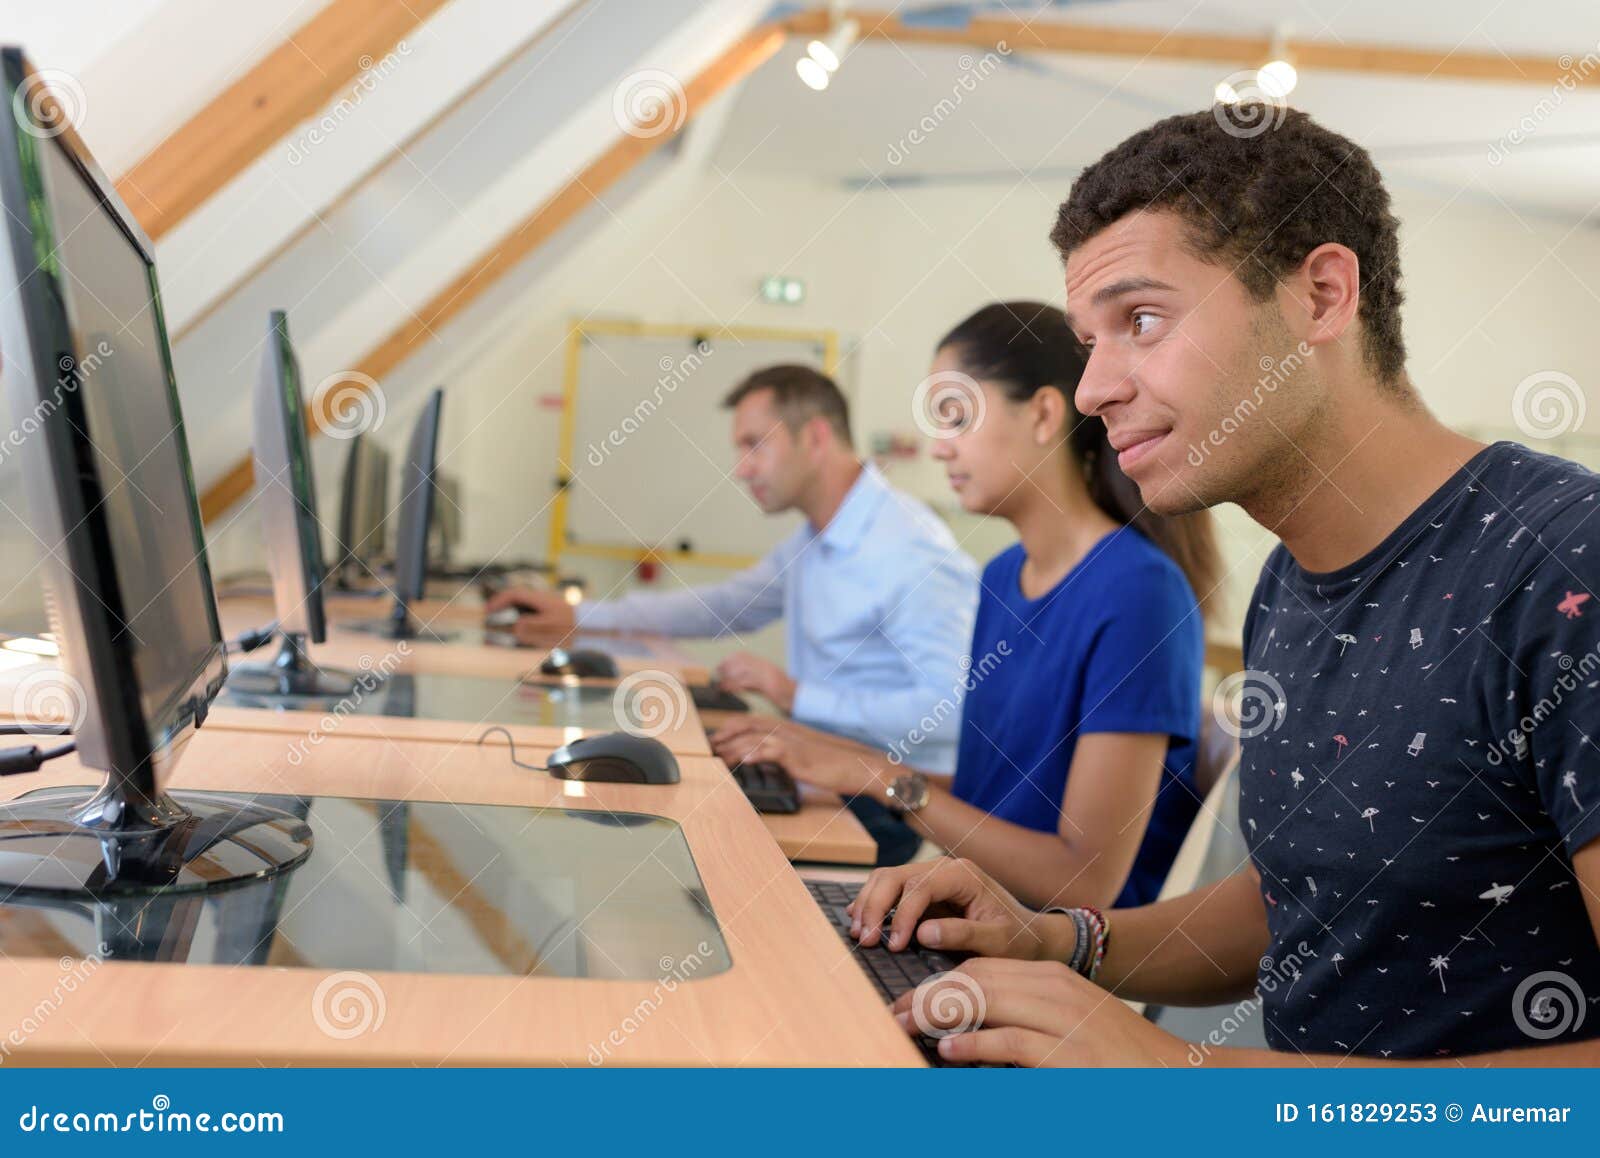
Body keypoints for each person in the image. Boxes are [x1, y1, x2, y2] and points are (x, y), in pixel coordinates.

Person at [848, 105, 1600, 1066]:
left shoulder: (1563, 568)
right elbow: (1297, 901)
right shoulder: (1289, 582)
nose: (1092, 391)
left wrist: (1194, 1079)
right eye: (1090, 341)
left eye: (1143, 320)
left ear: (1322, 296)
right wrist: (1059, 941)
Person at [713, 302, 1219, 910]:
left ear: (1042, 415)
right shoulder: (1003, 579)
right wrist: (835, 761)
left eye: (955, 419)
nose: (938, 450)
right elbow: (989, 803)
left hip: (1054, 969)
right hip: (972, 918)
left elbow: (1081, 882)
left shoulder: (1139, 593)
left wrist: (877, 776)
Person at [486, 364, 979, 862]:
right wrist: (580, 615)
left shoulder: (908, 548)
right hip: (817, 774)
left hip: (880, 807)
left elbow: (952, 714)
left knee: (673, 851)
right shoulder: (818, 537)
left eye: (754, 445)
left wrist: (793, 693)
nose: (741, 468)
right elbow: (721, 606)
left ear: (815, 437)